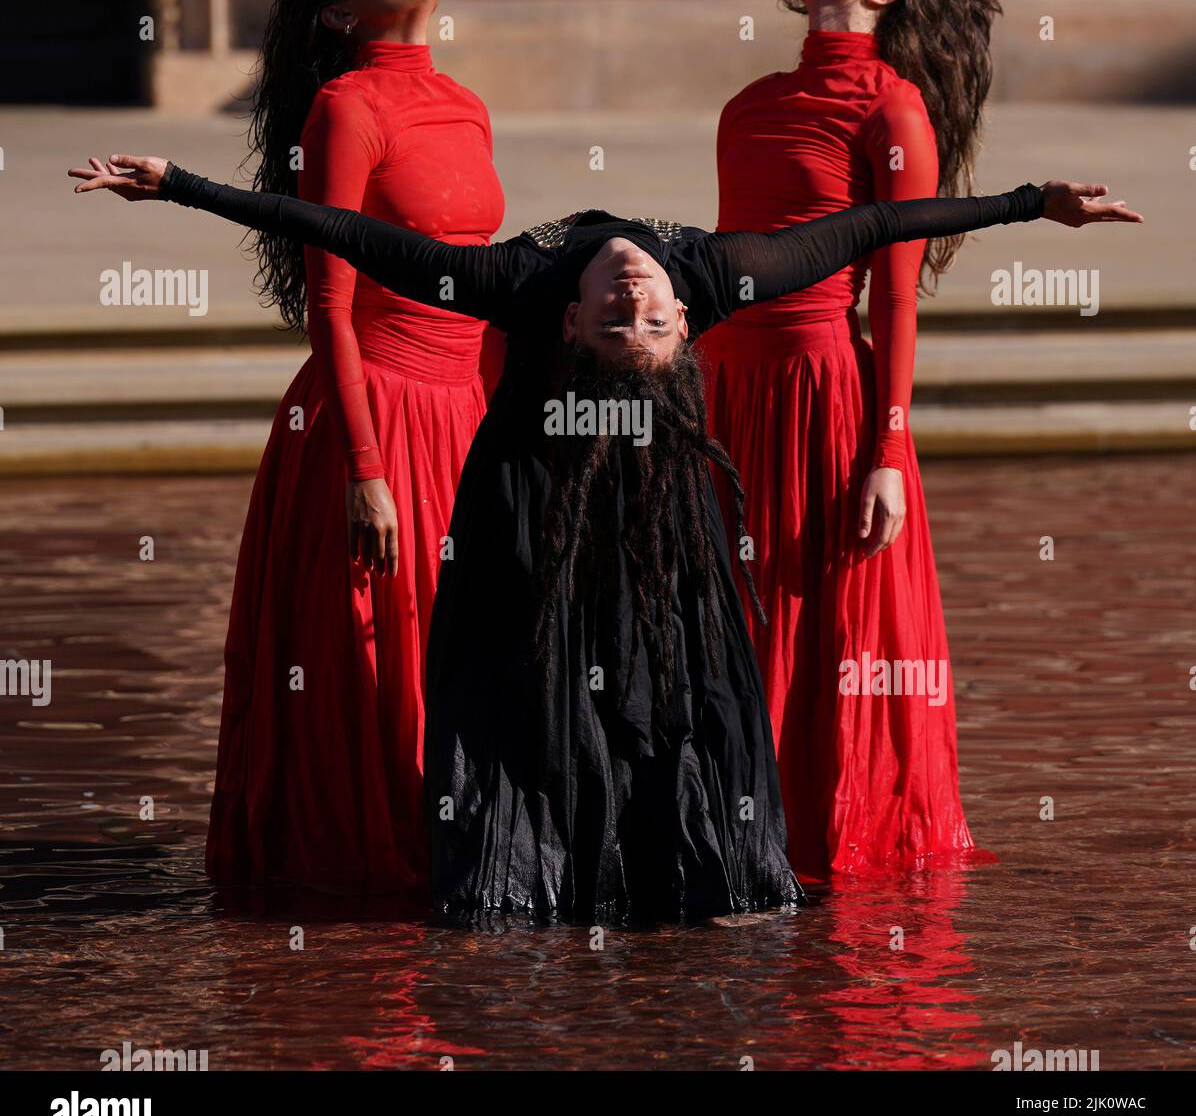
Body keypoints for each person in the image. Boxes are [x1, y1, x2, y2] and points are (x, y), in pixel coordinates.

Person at [68, 153, 1140, 921]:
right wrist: (1029, 203)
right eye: (646, 319)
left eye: (630, 315)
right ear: (684, 325)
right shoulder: (719, 273)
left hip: (611, 481)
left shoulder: (517, 285)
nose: (636, 298)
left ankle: (679, 873)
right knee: (539, 682)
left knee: (659, 668)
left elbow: (346, 236)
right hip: (535, 489)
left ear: (571, 328)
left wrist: (177, 185)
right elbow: (868, 227)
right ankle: (538, 873)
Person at [191, 0, 505, 895]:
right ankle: (366, 870)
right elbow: (329, 299)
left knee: (460, 649)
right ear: (338, 12)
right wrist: (365, 471)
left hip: (460, 417)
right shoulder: (343, 107)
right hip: (372, 411)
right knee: (375, 657)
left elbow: (483, 281)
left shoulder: (465, 104)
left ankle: (461, 850)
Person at [700, 0, 1006, 879]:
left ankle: (836, 846)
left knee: (822, 616)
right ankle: (735, 833)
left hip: (827, 392)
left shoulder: (893, 110)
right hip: (728, 389)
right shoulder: (749, 105)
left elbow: (898, 296)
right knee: (733, 614)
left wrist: (888, 452)